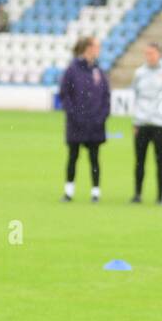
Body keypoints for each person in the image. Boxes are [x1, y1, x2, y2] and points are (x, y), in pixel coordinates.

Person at [59, 36, 109, 203]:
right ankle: (69, 191)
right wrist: (74, 115)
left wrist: (101, 116)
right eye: (96, 46)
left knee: (94, 158)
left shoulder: (98, 70)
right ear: (88, 48)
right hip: (76, 123)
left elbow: (105, 97)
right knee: (73, 156)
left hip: (95, 123)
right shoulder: (72, 70)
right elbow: (65, 95)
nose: (98, 49)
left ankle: (95, 191)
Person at [130, 42, 162, 205]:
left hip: (160, 123)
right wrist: (135, 121)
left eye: (152, 53)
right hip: (142, 122)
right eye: (147, 53)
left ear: (159, 54)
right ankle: (137, 194)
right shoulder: (139, 73)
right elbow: (136, 95)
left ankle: (160, 196)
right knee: (139, 160)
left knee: (160, 160)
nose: (149, 56)